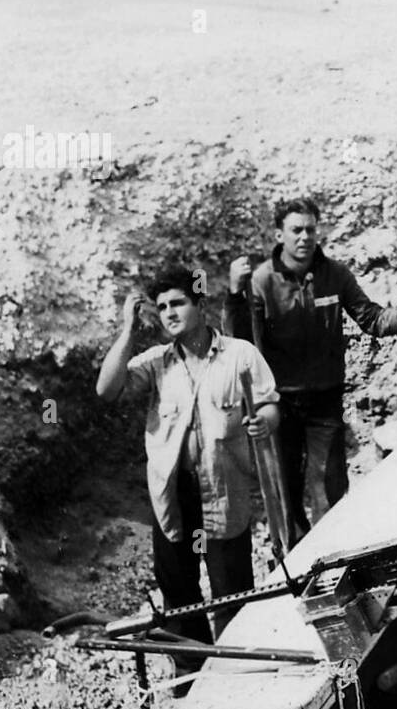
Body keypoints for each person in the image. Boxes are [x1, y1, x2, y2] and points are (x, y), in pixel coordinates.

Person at [226, 196, 397, 546]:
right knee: (284, 487)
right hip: (278, 403)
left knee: (330, 485)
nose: (304, 237)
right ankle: (294, 558)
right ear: (280, 235)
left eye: (310, 229)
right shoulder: (260, 281)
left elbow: (373, 319)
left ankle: (334, 551)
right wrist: (234, 292)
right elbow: (239, 341)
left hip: (325, 398)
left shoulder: (334, 275)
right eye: (296, 230)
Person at [96, 266, 280, 647]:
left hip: (225, 490)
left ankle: (236, 670)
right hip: (174, 496)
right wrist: (128, 330)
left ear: (200, 303)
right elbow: (106, 390)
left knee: (232, 588)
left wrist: (263, 421)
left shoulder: (240, 355)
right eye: (162, 307)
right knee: (179, 591)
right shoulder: (155, 363)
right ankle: (192, 668)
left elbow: (270, 404)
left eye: (178, 302)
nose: (169, 313)